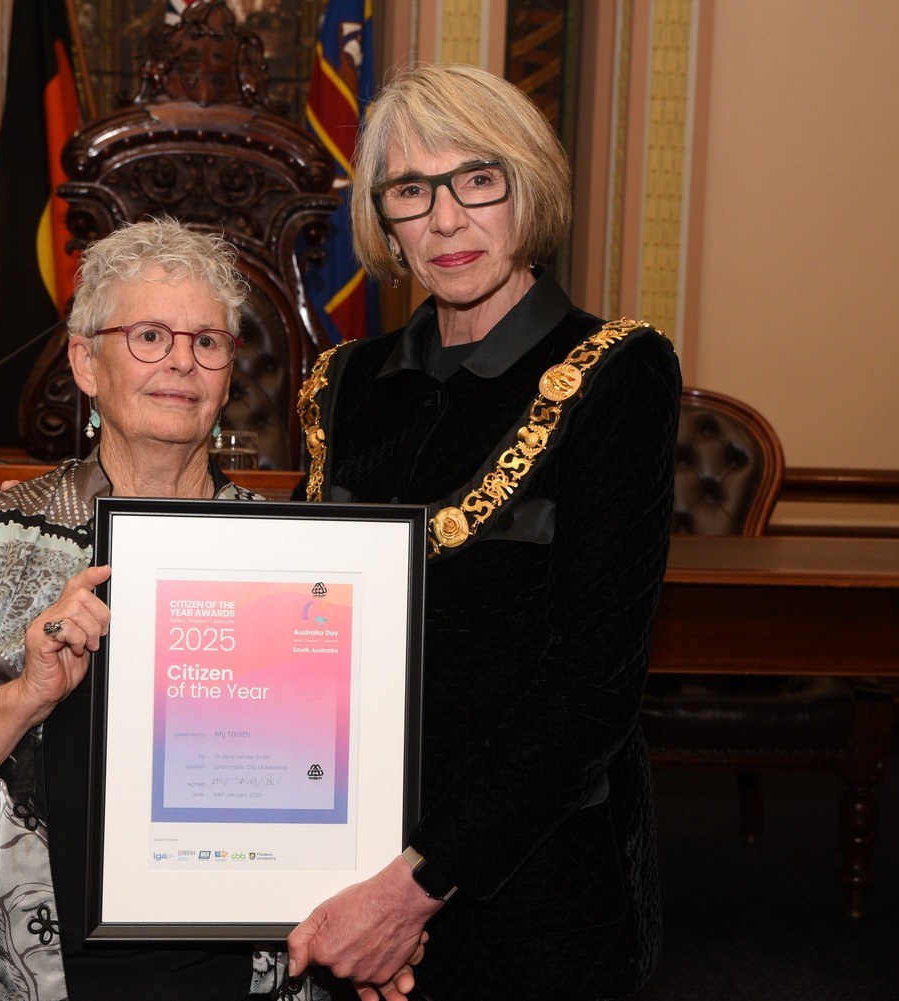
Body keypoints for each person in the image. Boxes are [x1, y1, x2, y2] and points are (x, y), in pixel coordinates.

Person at [0, 219, 409, 1000]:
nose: (182, 359)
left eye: (208, 341)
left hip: (243, 972)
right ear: (85, 361)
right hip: (26, 972)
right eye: (149, 335)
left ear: (228, 373)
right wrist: (24, 695)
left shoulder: (294, 556)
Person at [286, 65, 680, 1001]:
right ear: (385, 220)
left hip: (533, 877)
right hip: (344, 859)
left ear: (528, 185)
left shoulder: (617, 372)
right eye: (412, 192)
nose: (448, 220)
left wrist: (413, 887)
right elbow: (304, 644)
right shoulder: (341, 384)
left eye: (477, 179)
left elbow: (593, 688)